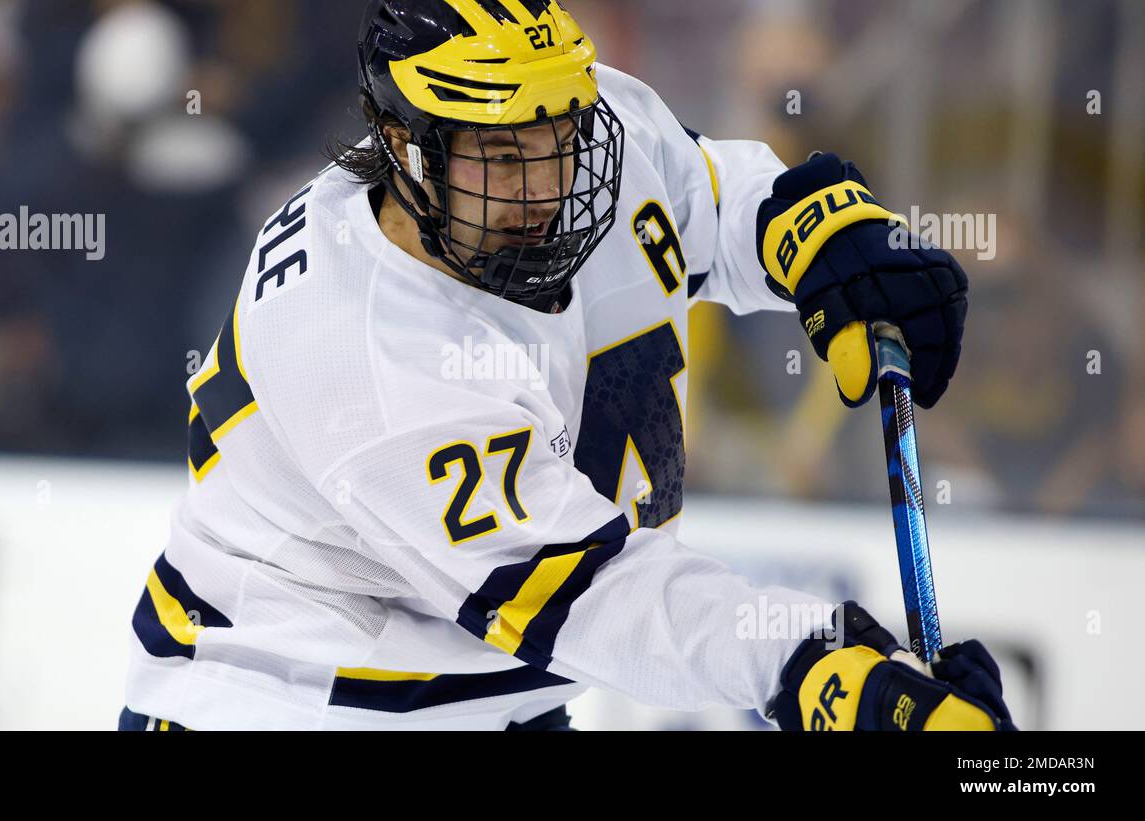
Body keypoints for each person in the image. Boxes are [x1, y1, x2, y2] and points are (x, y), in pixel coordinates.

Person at [121, 0, 1008, 731]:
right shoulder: (362, 349)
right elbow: (599, 598)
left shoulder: (573, 132)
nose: (545, 187)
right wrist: (818, 667)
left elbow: (702, 195)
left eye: (557, 141)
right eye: (503, 158)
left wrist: (814, 233)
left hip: (500, 695)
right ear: (407, 150)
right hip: (281, 704)